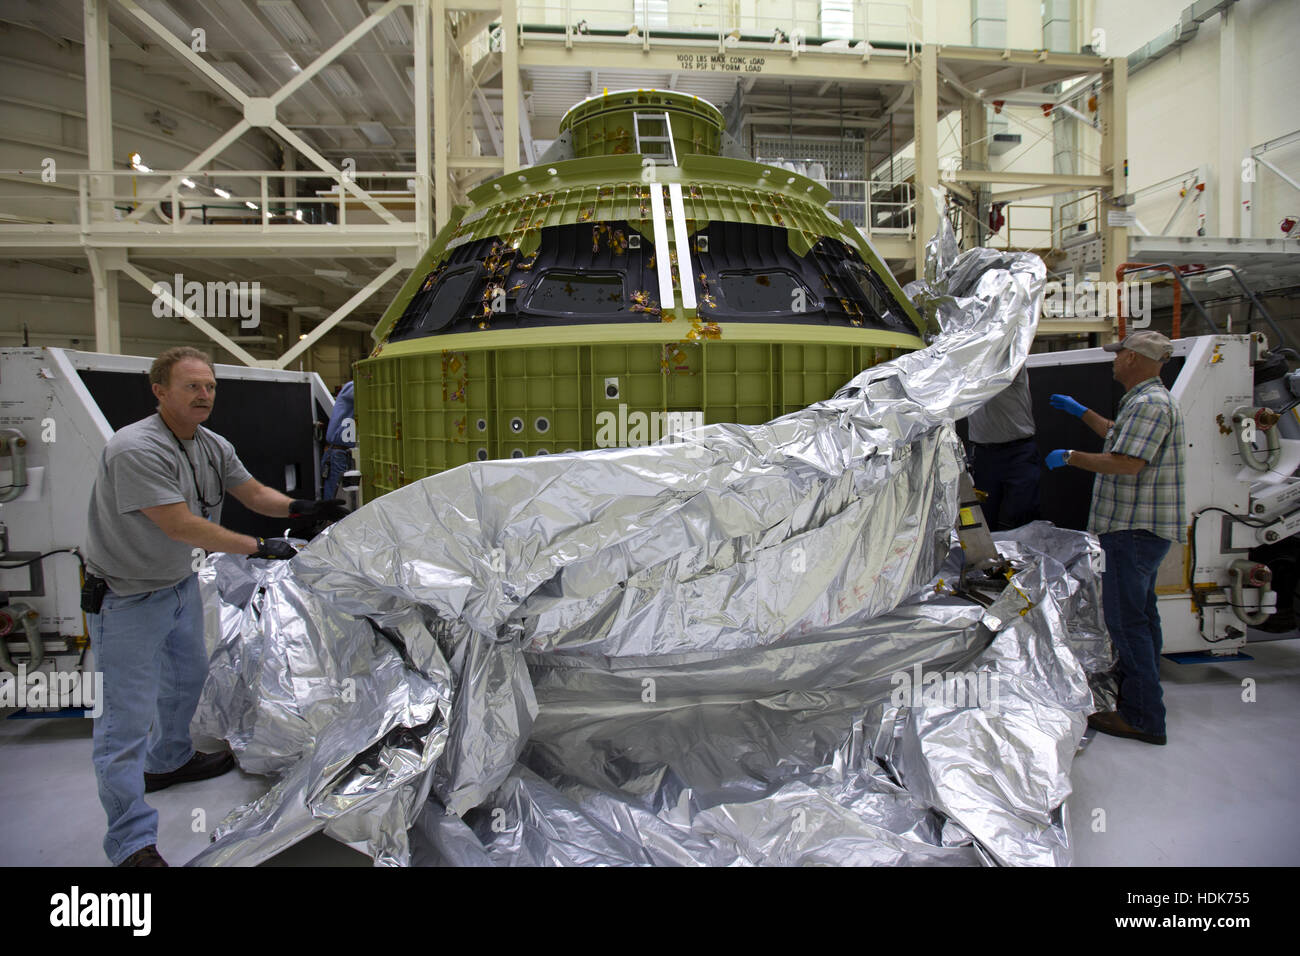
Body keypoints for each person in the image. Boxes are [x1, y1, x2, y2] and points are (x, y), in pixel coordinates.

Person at [83, 346, 348, 867]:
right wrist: (259, 547)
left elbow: (253, 494)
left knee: (187, 681)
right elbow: (180, 525)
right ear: (160, 391)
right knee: (123, 724)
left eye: (209, 387)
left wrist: (302, 507)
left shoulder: (210, 444)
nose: (204, 395)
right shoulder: (136, 448)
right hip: (126, 598)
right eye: (192, 386)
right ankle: (130, 842)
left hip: (177, 587)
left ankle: (170, 760)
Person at [1045, 330, 1186, 746]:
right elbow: (1116, 435)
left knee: (1127, 623)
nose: (1114, 359)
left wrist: (1070, 457)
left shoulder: (1148, 404)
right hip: (1139, 532)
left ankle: (1143, 717)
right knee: (1142, 616)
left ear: (1135, 358)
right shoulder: (1145, 402)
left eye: (1119, 353)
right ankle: (1143, 693)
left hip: (1132, 531)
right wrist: (1081, 412)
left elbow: (1126, 462)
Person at [966, 365, 1040, 530]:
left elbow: (990, 381)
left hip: (1018, 451)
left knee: (1024, 513)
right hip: (984, 454)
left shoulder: (1010, 359)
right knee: (982, 517)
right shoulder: (970, 364)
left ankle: (1024, 546)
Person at [321, 380, 355, 500]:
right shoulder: (352, 387)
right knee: (336, 500)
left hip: (346, 454)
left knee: (348, 500)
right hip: (339, 454)